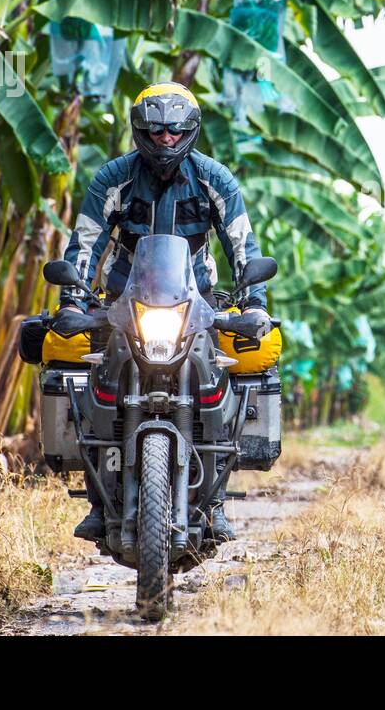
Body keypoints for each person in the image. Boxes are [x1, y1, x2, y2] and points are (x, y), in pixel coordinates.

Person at [60, 81, 272, 544]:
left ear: (191, 131)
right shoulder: (112, 178)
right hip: (123, 298)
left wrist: (253, 301)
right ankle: (99, 500)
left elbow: (242, 244)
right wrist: (73, 300)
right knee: (103, 381)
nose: (166, 140)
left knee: (214, 380)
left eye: (176, 131)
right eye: (156, 132)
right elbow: (86, 241)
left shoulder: (216, 179)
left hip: (194, 298)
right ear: (140, 132)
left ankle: (213, 503)